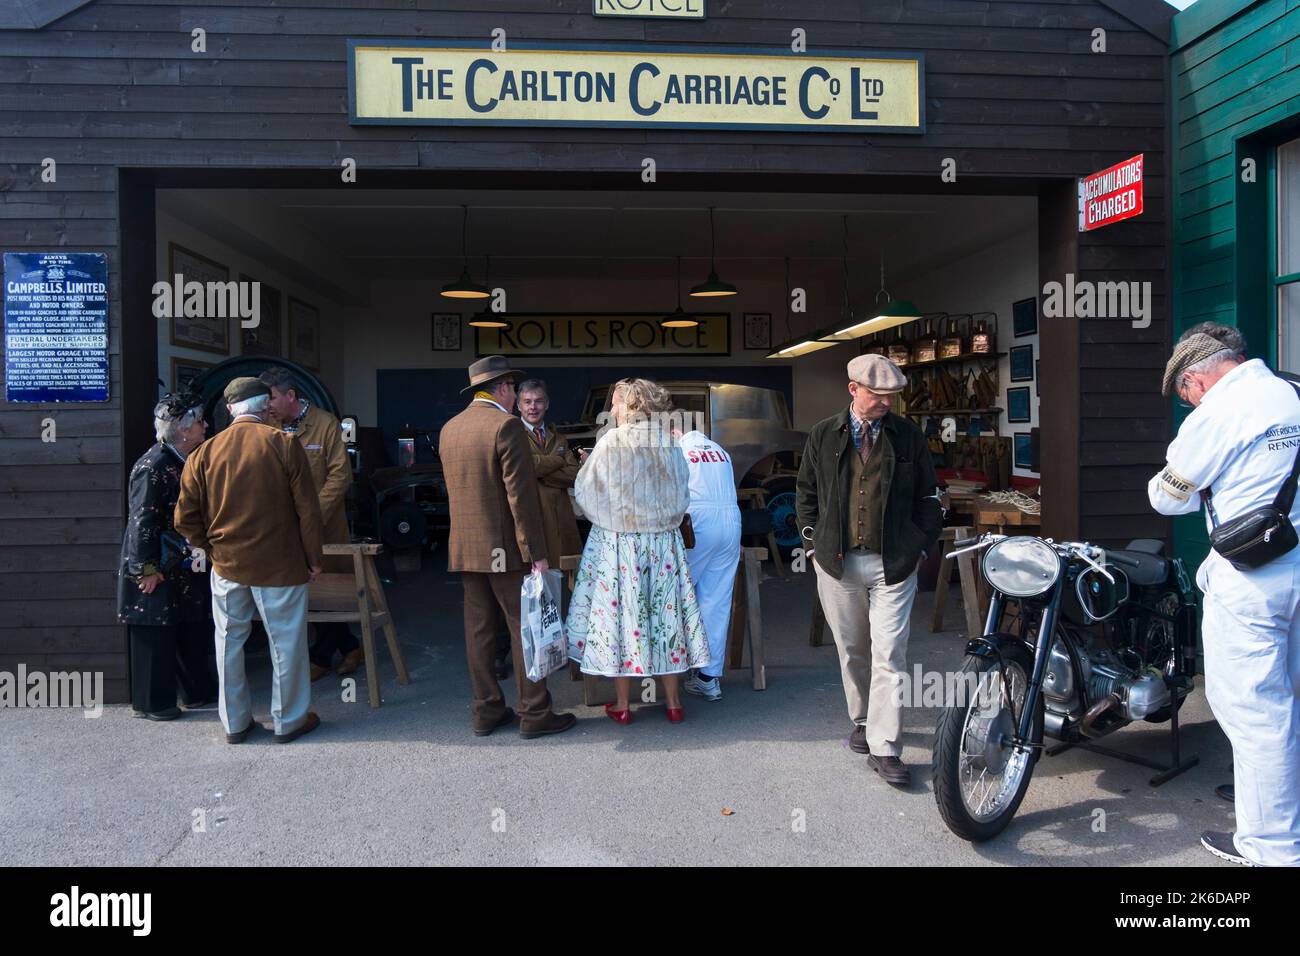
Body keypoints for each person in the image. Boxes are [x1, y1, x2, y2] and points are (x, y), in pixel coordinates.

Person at [1149, 333, 1300, 867]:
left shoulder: (1216, 414)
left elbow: (1168, 495)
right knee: (1289, 699)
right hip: (1298, 565)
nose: (1189, 402)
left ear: (1195, 378)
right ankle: (1282, 812)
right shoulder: (1292, 392)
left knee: (1253, 709)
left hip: (1251, 579)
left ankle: (1272, 848)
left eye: (1185, 394)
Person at [795, 354, 943, 786]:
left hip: (894, 562)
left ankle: (885, 747)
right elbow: (805, 491)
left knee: (890, 656)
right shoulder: (823, 434)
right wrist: (811, 543)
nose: (885, 403)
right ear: (853, 389)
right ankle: (861, 720)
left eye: (891, 396)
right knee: (853, 650)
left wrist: (919, 546)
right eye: (876, 395)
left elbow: (929, 498)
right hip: (837, 562)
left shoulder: (908, 435)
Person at [175, 377, 324, 744]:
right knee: (285, 643)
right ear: (265, 408)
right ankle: (288, 721)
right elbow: (308, 510)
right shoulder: (284, 444)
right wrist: (313, 558)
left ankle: (235, 724)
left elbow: (184, 519)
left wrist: (209, 547)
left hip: (227, 564)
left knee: (228, 642)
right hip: (280, 564)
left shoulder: (203, 453)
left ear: (229, 410)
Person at [438, 356, 577, 739]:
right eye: (514, 389)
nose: (516, 396)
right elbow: (520, 496)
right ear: (502, 388)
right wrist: (536, 551)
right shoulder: (506, 426)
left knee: (479, 631)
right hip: (507, 550)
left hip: (465, 548)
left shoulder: (450, 428)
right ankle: (534, 713)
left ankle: (486, 710)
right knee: (524, 629)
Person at [567, 378, 710, 724]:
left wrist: (608, 516)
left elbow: (585, 493)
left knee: (622, 619)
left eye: (615, 404)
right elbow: (683, 492)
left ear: (629, 406)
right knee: (665, 618)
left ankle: (623, 705)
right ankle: (674, 703)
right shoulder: (668, 442)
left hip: (621, 545)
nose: (611, 410)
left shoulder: (611, 441)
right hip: (663, 545)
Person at [117, 392, 218, 720]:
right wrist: (144, 568)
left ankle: (196, 692)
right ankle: (153, 703)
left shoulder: (184, 459)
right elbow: (142, 519)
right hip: (158, 561)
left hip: (184, 559)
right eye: (200, 421)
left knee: (191, 623)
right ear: (183, 428)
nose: (205, 426)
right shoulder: (155, 464)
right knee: (155, 627)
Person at [258, 367, 361, 682]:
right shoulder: (268, 427)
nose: (267, 405)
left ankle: (320, 656)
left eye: (271, 398)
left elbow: (340, 475)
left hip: (325, 528)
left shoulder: (326, 424)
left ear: (290, 395)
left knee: (329, 591)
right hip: (285, 530)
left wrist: (311, 516)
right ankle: (349, 647)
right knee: (303, 594)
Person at [675, 426, 742, 702]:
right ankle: (708, 678)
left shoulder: (680, 450)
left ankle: (672, 666)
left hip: (697, 524)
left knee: (677, 596)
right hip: (731, 523)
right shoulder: (720, 451)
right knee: (717, 601)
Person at [516, 378, 584, 569]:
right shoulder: (513, 436)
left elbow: (574, 474)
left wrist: (540, 472)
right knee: (534, 585)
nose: (533, 407)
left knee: (566, 582)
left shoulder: (558, 437)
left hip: (562, 519)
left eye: (538, 401)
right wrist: (558, 461)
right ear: (519, 406)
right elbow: (527, 467)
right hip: (533, 518)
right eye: (527, 402)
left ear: (547, 404)